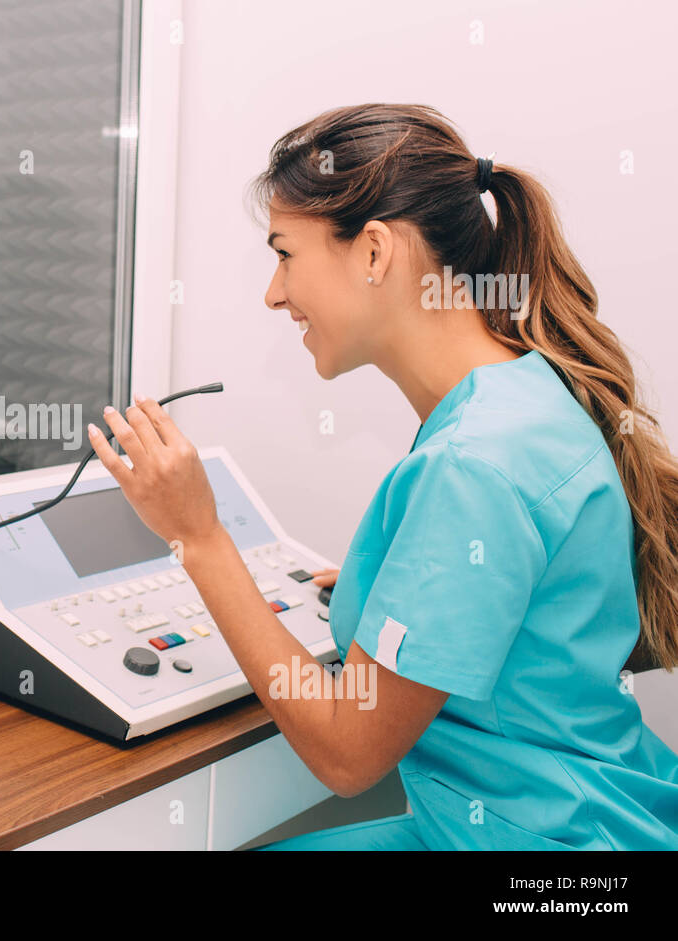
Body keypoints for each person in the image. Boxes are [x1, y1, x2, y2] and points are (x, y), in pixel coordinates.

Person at [86, 104, 678, 850]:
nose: (274, 293)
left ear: (372, 252)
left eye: (286, 255)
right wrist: (387, 588)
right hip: (603, 816)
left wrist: (197, 536)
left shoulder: (472, 465)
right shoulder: (526, 394)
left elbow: (346, 754)